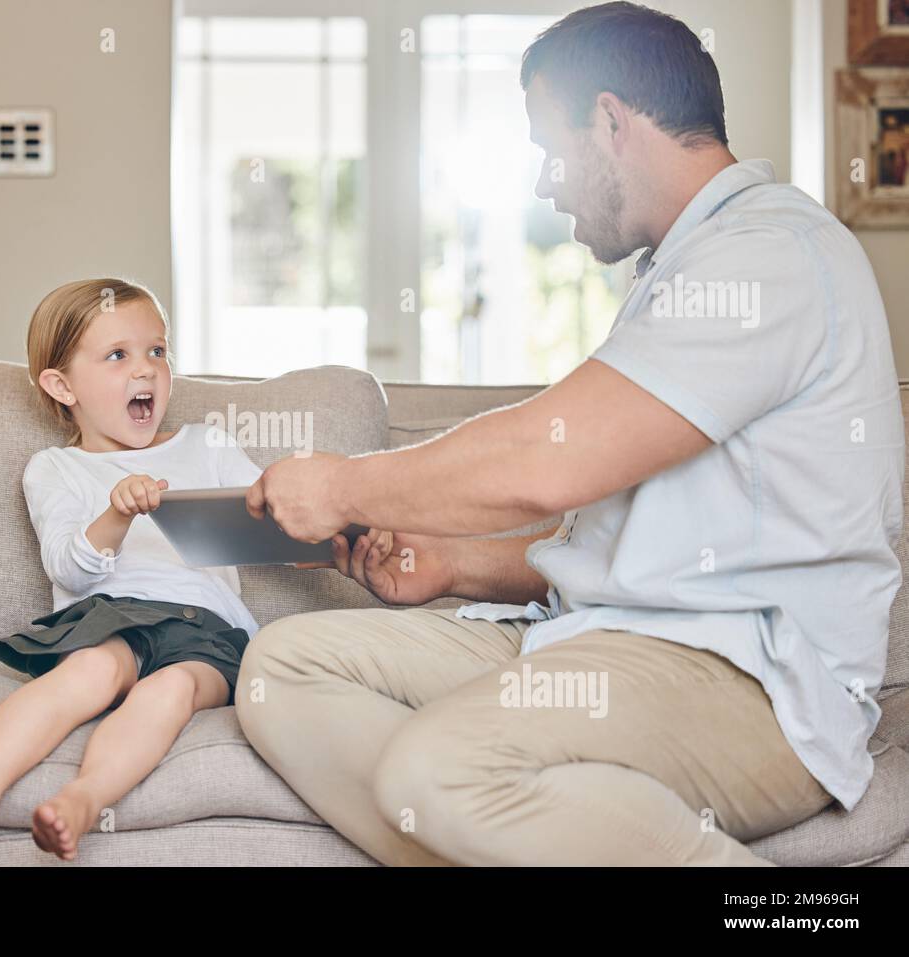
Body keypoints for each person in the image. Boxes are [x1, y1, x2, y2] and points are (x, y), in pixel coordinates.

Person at [237, 1, 904, 866]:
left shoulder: (767, 256)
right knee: (278, 667)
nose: (550, 185)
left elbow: (547, 461)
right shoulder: (678, 270)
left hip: (749, 678)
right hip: (604, 641)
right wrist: (455, 564)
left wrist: (338, 486)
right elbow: (639, 543)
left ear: (610, 120)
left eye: (552, 151)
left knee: (437, 772)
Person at [0, 277, 262, 865]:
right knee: (91, 670)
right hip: (112, 617)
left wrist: (333, 536)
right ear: (62, 386)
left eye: (157, 351)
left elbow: (268, 525)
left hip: (210, 633)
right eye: (117, 355)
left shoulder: (206, 444)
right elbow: (68, 566)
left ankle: (81, 800)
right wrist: (116, 512)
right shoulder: (55, 468)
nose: (146, 371)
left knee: (175, 688)